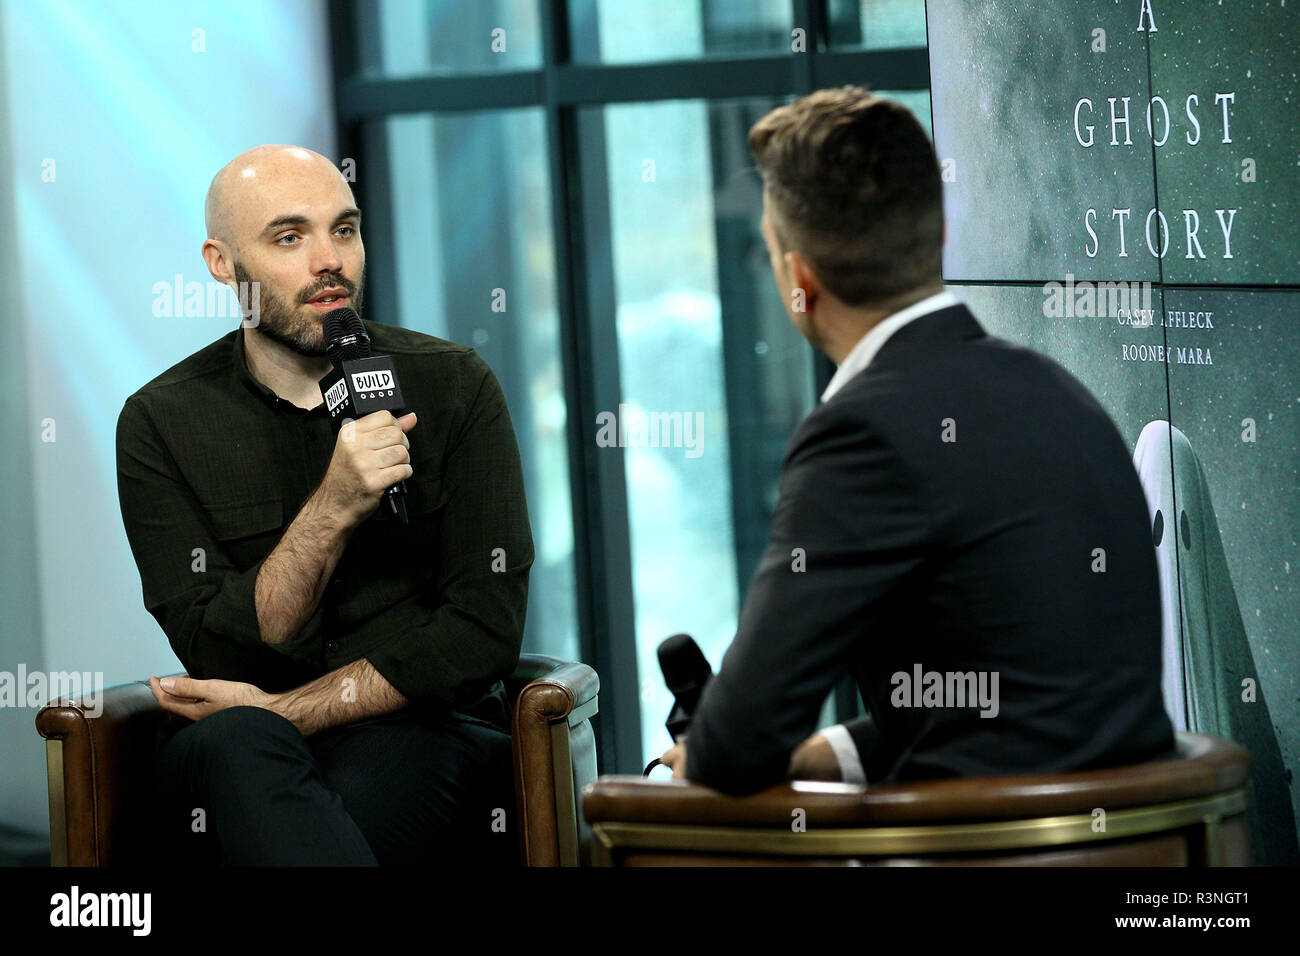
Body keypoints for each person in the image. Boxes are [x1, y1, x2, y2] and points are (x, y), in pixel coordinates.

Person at [660, 87, 1174, 794]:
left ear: (798, 279)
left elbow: (732, 748)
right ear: (936, 238)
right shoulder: (1059, 392)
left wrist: (713, 745)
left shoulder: (858, 436)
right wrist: (824, 754)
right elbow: (1031, 707)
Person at [116, 145, 532, 865]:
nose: (328, 260)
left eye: (345, 229)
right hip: (239, 746)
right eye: (289, 237)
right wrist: (333, 507)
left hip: (425, 731)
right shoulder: (161, 422)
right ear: (222, 264)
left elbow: (480, 632)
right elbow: (215, 648)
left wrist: (290, 711)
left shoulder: (453, 385)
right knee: (239, 745)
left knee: (316, 807)